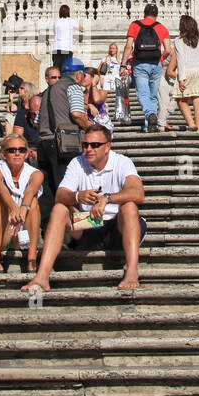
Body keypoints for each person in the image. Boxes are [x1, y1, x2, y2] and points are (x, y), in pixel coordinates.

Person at [23, 124, 146, 295]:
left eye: (95, 145)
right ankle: (42, 274)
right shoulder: (77, 163)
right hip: (89, 223)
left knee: (130, 206)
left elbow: (138, 193)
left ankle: (132, 270)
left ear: (107, 147)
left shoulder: (122, 162)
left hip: (117, 227)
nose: (89, 149)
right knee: (60, 209)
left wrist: (108, 198)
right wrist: (77, 196)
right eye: (85, 145)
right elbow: (60, 195)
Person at [0, 133, 44, 273]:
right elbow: (2, 190)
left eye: (21, 150)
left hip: (20, 231)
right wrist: (13, 207)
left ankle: (32, 257)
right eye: (12, 150)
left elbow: (31, 190)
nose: (17, 153)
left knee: (33, 202)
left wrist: (23, 208)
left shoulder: (35, 174)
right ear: (4, 155)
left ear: (27, 153)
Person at [36, 56, 89, 204]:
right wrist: (93, 128)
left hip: (43, 144)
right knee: (66, 189)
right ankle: (68, 224)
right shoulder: (73, 87)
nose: (83, 78)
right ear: (78, 74)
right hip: (63, 146)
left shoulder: (47, 91)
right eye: (83, 75)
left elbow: (36, 121)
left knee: (48, 192)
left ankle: (47, 225)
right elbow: (77, 115)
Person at [119, 3, 170, 133]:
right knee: (152, 96)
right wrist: (161, 59)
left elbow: (128, 46)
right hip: (156, 64)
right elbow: (168, 50)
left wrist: (123, 65)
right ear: (156, 15)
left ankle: (149, 115)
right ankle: (149, 126)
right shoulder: (162, 27)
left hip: (140, 63)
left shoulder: (135, 25)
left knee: (142, 93)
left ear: (144, 13)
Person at [167, 15, 199, 132]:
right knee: (197, 100)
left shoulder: (178, 41)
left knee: (181, 100)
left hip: (186, 72)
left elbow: (180, 60)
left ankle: (191, 124)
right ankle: (198, 129)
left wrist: (181, 78)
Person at [11, 88, 41, 162]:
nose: (36, 117)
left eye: (38, 114)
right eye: (33, 114)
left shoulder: (47, 116)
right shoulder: (22, 115)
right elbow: (17, 138)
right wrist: (30, 151)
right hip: (28, 147)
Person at [51, 5, 83, 71]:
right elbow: (82, 29)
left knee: (56, 69)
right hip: (66, 48)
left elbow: (54, 31)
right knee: (66, 69)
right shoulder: (71, 21)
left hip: (56, 48)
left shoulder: (56, 21)